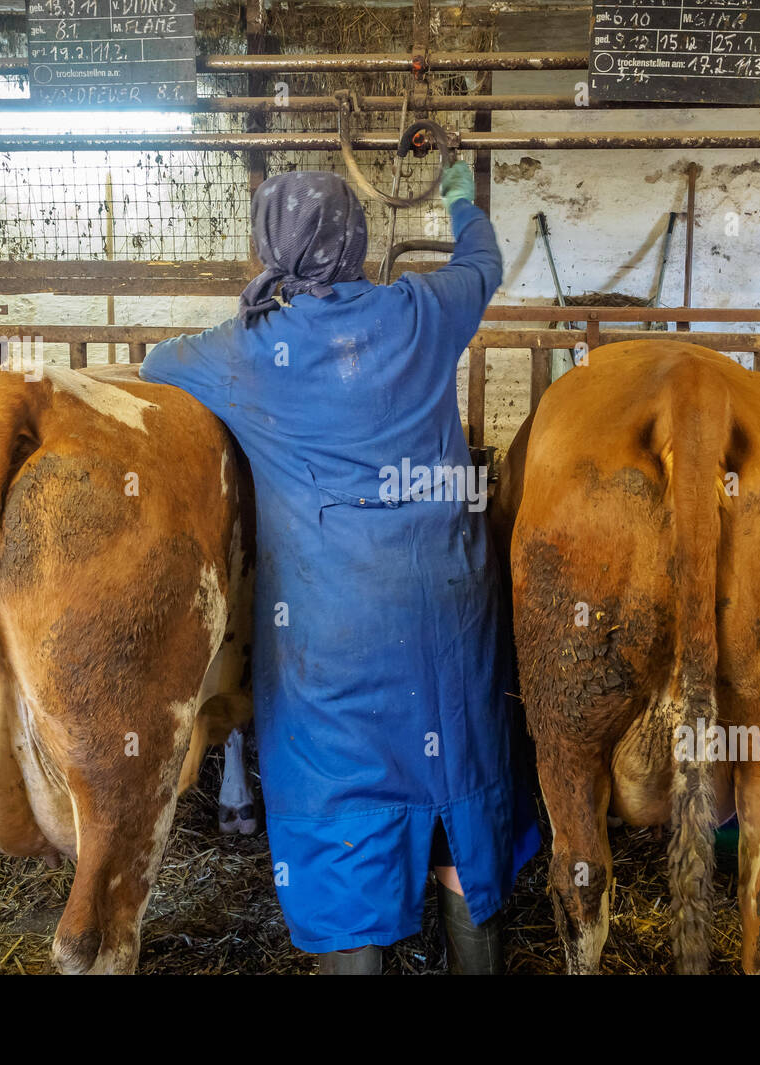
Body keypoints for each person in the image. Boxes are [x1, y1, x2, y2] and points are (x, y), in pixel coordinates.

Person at [140, 162, 540, 975]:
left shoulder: (246, 351)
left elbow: (153, 365)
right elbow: (485, 265)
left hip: (331, 633)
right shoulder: (421, 309)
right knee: (458, 777)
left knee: (339, 809)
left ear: (268, 245)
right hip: (450, 614)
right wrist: (459, 197)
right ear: (357, 241)